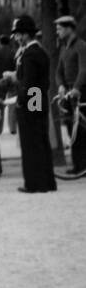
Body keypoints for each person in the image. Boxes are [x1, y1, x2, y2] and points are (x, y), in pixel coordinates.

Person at [7, 16, 56, 193]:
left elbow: (27, 83)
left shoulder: (29, 54)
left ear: (26, 35)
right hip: (38, 97)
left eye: (19, 34)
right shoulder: (39, 52)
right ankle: (47, 181)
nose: (17, 38)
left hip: (31, 99)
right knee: (40, 140)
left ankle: (34, 183)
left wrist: (19, 99)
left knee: (30, 142)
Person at [54, 16, 86, 173]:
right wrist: (60, 85)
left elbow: (83, 69)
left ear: (69, 29)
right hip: (67, 94)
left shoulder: (81, 46)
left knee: (81, 129)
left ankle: (83, 164)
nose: (57, 32)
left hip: (80, 94)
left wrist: (77, 87)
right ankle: (77, 164)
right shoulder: (63, 48)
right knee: (71, 130)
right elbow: (58, 72)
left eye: (59, 29)